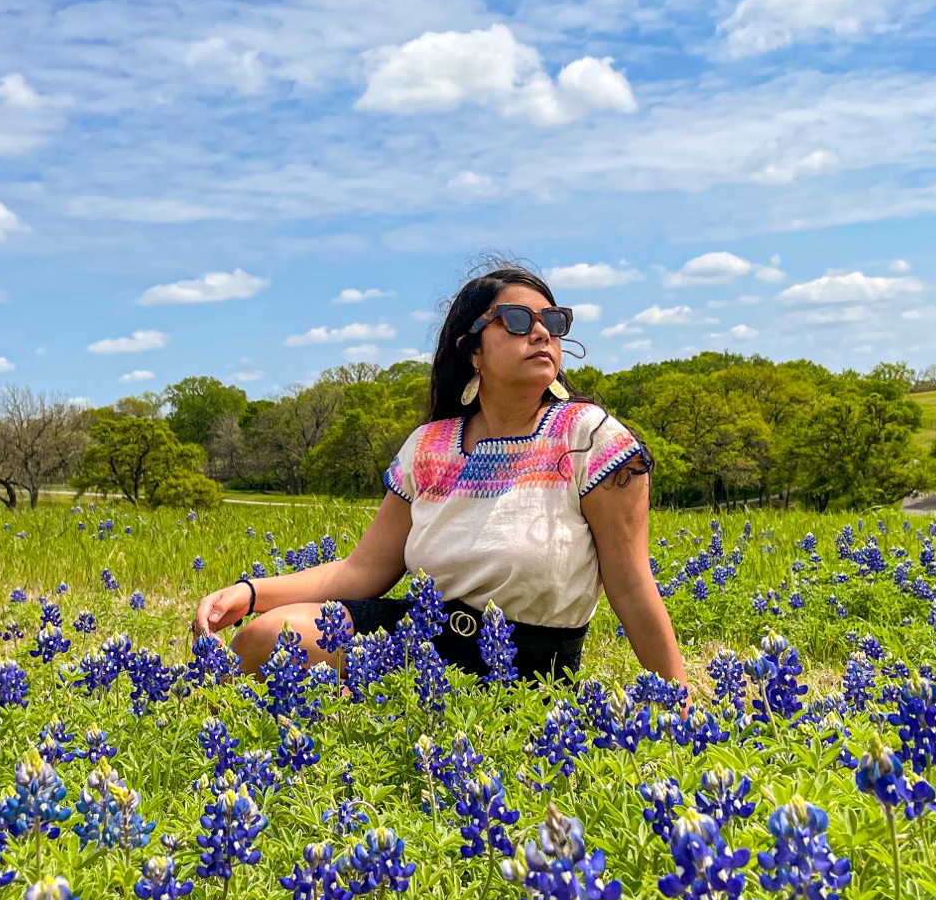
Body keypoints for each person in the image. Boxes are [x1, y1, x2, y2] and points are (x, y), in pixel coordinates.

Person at [191, 264, 688, 686]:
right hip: (421, 636)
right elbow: (361, 572)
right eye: (516, 320)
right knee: (266, 637)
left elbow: (631, 585)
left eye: (553, 322)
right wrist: (252, 593)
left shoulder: (590, 438)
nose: (541, 333)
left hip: (527, 663)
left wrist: (677, 704)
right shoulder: (429, 445)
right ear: (472, 351)